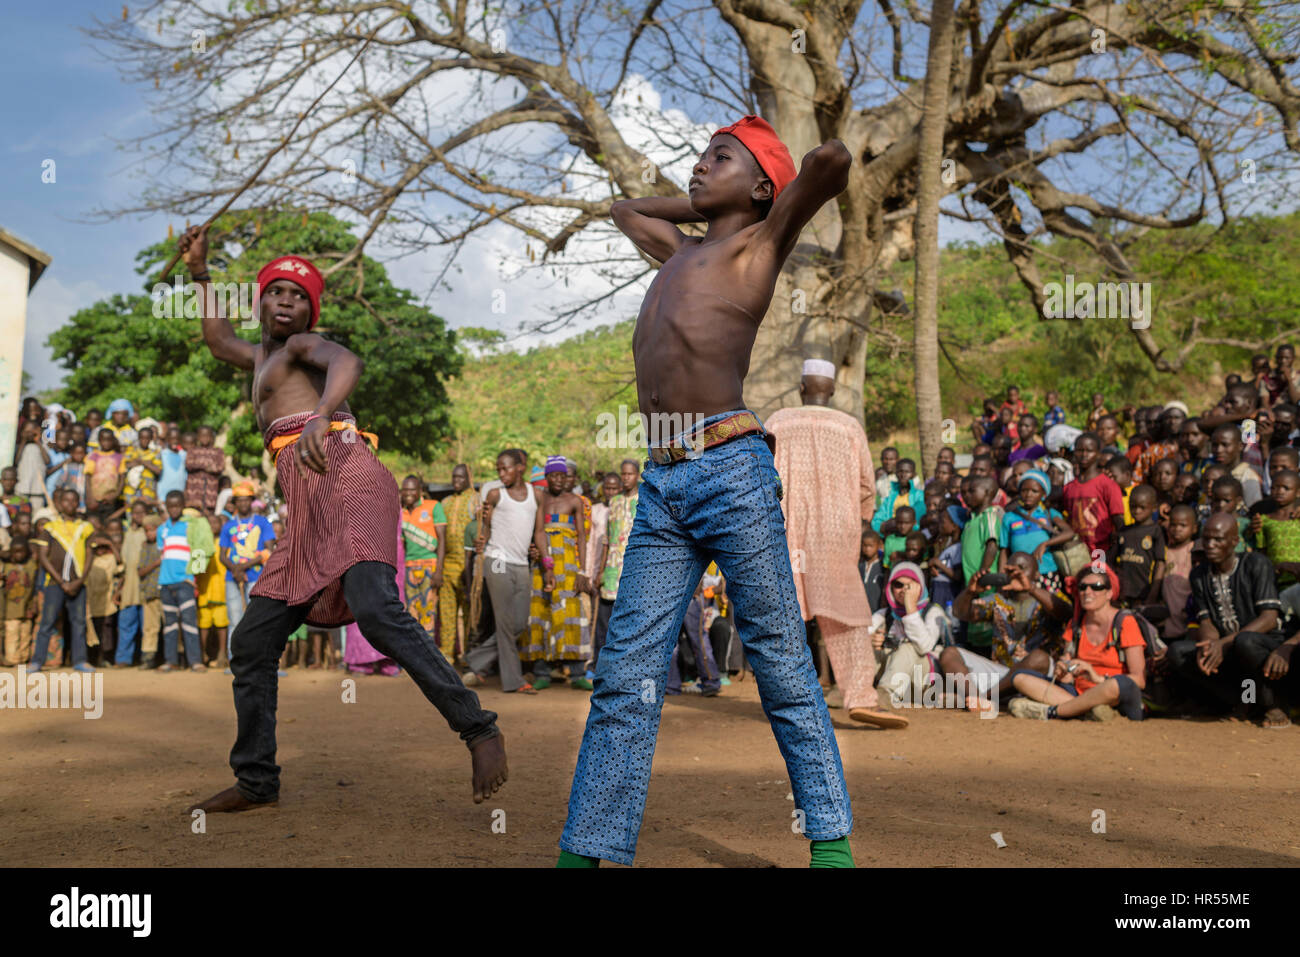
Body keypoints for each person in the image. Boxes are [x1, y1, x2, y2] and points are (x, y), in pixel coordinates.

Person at [558, 116, 856, 869]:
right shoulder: (678, 254)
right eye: (697, 156)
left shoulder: (758, 246)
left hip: (731, 470)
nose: (697, 166)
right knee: (624, 676)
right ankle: (589, 848)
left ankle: (829, 842)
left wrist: (768, 197)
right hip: (662, 482)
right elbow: (627, 211)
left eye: (717, 157)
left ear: (760, 186)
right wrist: (704, 196)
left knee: (783, 662)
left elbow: (833, 159)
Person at [178, 227, 507, 811]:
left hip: (348, 476)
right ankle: (256, 780)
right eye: (276, 291)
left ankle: (478, 729)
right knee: (252, 643)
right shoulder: (259, 358)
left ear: (311, 310)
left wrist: (320, 415)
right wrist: (201, 273)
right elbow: (216, 338)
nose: (286, 302)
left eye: (298, 295)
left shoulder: (305, 347)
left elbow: (347, 360)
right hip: (304, 506)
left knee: (377, 612)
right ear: (260, 301)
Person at [766, 358, 905, 729]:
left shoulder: (778, 421)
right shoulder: (849, 426)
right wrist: (858, 521)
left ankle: (790, 700)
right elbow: (866, 486)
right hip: (836, 535)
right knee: (847, 617)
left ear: (801, 388)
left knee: (786, 616)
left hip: (786, 532)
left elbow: (759, 472)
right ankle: (861, 698)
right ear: (831, 390)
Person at [1166, 514, 1285, 726]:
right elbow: (1206, 621)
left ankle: (1272, 704)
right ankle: (1242, 701)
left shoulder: (1256, 564)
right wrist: (1210, 645)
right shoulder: (1199, 574)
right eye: (1207, 539)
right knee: (1178, 653)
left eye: (1218, 540)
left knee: (1245, 642)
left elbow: (1269, 618)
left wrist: (1224, 643)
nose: (1210, 545)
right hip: (1229, 649)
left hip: (1262, 647)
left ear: (1234, 541)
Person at [1008, 561, 1148, 721]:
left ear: (1109, 593)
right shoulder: (1076, 624)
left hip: (1114, 694)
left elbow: (1139, 680)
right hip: (1077, 691)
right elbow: (1066, 659)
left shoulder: (1125, 622)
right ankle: (1088, 711)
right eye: (1082, 587)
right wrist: (1063, 671)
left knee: (1118, 684)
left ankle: (1053, 712)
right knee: (1019, 677)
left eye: (1095, 586)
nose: (1087, 592)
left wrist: (1097, 678)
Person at [944, 552, 1069, 712]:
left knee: (1039, 658)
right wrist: (970, 591)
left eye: (1022, 568)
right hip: (1002, 677)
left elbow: (1066, 613)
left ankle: (984, 699)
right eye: (1011, 570)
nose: (1016, 573)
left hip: (1037, 677)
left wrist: (1031, 588)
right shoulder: (998, 600)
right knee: (949, 654)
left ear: (1037, 574)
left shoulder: (1049, 597)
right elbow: (960, 613)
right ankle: (978, 699)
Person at [465, 450, 541, 692]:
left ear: (520, 467)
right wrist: (481, 540)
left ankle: (476, 660)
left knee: (519, 622)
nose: (501, 474)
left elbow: (538, 532)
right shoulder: (496, 495)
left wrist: (541, 553)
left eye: (505, 468)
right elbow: (485, 528)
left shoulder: (536, 495)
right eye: (498, 470)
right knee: (506, 623)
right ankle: (514, 681)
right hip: (497, 561)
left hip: (522, 565)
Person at [521, 456, 591, 689]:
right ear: (547, 477)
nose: (558, 480)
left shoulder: (574, 501)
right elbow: (538, 531)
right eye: (553, 476)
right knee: (541, 611)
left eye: (562, 476)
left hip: (569, 563)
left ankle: (577, 673)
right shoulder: (541, 500)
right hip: (545, 562)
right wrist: (543, 558)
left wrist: (582, 570)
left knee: (572, 610)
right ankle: (542, 673)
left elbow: (581, 536)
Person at [27, 488, 95, 674]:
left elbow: (90, 554)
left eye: (74, 501)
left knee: (78, 623)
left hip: (78, 584)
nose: (70, 504)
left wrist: (79, 580)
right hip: (54, 583)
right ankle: (37, 661)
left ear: (78, 503)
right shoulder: (51, 528)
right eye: (66, 500)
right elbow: (43, 557)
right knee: (47, 622)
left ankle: (80, 660)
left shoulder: (86, 528)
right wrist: (61, 581)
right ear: (59, 503)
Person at [870, 562, 952, 708]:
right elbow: (861, 638)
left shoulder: (933, 613)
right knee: (867, 647)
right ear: (890, 587)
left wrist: (911, 609)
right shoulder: (885, 614)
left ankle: (886, 695)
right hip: (896, 676)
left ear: (920, 586)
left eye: (910, 586)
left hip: (925, 680)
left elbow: (924, 647)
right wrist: (870, 641)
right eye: (898, 585)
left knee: (907, 648)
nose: (904, 590)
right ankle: (851, 690)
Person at [217, 482, 276, 654]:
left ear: (251, 501)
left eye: (246, 500)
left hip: (256, 577)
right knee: (234, 619)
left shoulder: (262, 522)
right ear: (234, 502)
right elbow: (222, 555)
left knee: (257, 619)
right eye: (239, 500)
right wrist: (235, 570)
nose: (243, 504)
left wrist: (243, 567)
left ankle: (258, 659)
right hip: (232, 578)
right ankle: (234, 658)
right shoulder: (228, 525)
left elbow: (268, 551)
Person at [1000, 470, 1073, 589]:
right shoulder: (1009, 517)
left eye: (1034, 491)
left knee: (1047, 605)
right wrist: (1002, 576)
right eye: (1024, 490)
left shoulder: (1049, 514)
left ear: (1043, 495)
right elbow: (1004, 550)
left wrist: (1046, 544)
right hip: (1018, 573)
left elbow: (1069, 533)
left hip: (1046, 570)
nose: (1028, 494)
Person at [398, 475, 447, 649]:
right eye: (405, 490)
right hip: (410, 568)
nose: (408, 493)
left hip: (430, 566)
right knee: (412, 612)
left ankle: (430, 654)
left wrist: (439, 570)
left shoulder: (434, 506)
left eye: (412, 490)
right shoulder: (401, 513)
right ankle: (416, 653)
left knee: (429, 612)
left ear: (420, 491)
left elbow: (442, 540)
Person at [438, 464, 480, 665]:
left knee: (470, 613)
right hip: (447, 564)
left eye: (461, 477)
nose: (456, 481)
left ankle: (469, 656)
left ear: (469, 478)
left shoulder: (476, 500)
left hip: (468, 565)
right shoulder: (445, 502)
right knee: (447, 612)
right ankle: (447, 654)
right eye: (454, 477)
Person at [1064, 433, 1124, 555]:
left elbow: (1118, 519)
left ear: (1098, 454)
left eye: (1089, 451)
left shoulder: (1107, 485)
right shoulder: (1068, 487)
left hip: (1101, 549)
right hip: (1077, 551)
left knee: (1098, 574)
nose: (1084, 455)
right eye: (1080, 450)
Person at [1110, 484, 1166, 607]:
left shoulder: (1157, 531)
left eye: (1142, 507)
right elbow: (1111, 560)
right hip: (1123, 593)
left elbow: (1160, 564)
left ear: (1154, 507)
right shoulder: (1124, 530)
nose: (1137, 511)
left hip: (1144, 593)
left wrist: (1153, 595)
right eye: (1133, 507)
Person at [1159, 505, 1197, 643]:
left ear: (1194, 528)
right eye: (1173, 525)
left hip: (1186, 608)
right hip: (1169, 607)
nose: (1177, 529)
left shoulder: (1193, 550)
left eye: (1183, 525)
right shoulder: (1165, 551)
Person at [1, 536, 38, 666]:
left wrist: (33, 605)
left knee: (25, 635)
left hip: (26, 608)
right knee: (12, 635)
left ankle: (23, 659)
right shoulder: (5, 567)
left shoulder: (31, 565)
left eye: (21, 551)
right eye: (15, 552)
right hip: (10, 611)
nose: (18, 555)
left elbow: (33, 587)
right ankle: (12, 659)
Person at [871, 457, 924, 532]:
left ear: (913, 474)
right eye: (900, 471)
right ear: (896, 473)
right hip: (891, 534)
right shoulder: (890, 497)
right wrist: (883, 527)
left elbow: (918, 520)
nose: (903, 475)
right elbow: (877, 520)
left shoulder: (919, 496)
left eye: (907, 472)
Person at [85, 429, 126, 525]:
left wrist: (116, 495)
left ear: (113, 440)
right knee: (94, 524)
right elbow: (87, 477)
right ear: (99, 440)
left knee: (108, 523)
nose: (106, 443)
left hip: (110, 499)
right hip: (95, 498)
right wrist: (90, 497)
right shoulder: (92, 456)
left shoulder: (119, 457)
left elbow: (122, 478)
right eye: (103, 440)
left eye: (109, 440)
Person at [185, 425, 225, 514]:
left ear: (211, 437)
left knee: (209, 516)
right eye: (202, 436)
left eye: (207, 435)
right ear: (198, 437)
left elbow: (220, 467)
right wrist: (207, 466)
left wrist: (199, 465)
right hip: (194, 493)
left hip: (210, 493)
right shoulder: (192, 450)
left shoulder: (218, 451)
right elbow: (189, 464)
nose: (205, 438)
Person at [14, 420, 50, 512]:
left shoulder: (42, 446)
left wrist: (37, 441)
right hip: (22, 489)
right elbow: (16, 461)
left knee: (37, 514)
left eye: (32, 432)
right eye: (26, 432)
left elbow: (47, 461)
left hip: (37, 489)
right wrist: (23, 441)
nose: (29, 434)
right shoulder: (19, 447)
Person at [158, 424, 188, 502]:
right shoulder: (162, 454)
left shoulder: (184, 455)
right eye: (172, 438)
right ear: (167, 440)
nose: (175, 441)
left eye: (177, 439)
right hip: (163, 496)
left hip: (179, 495)